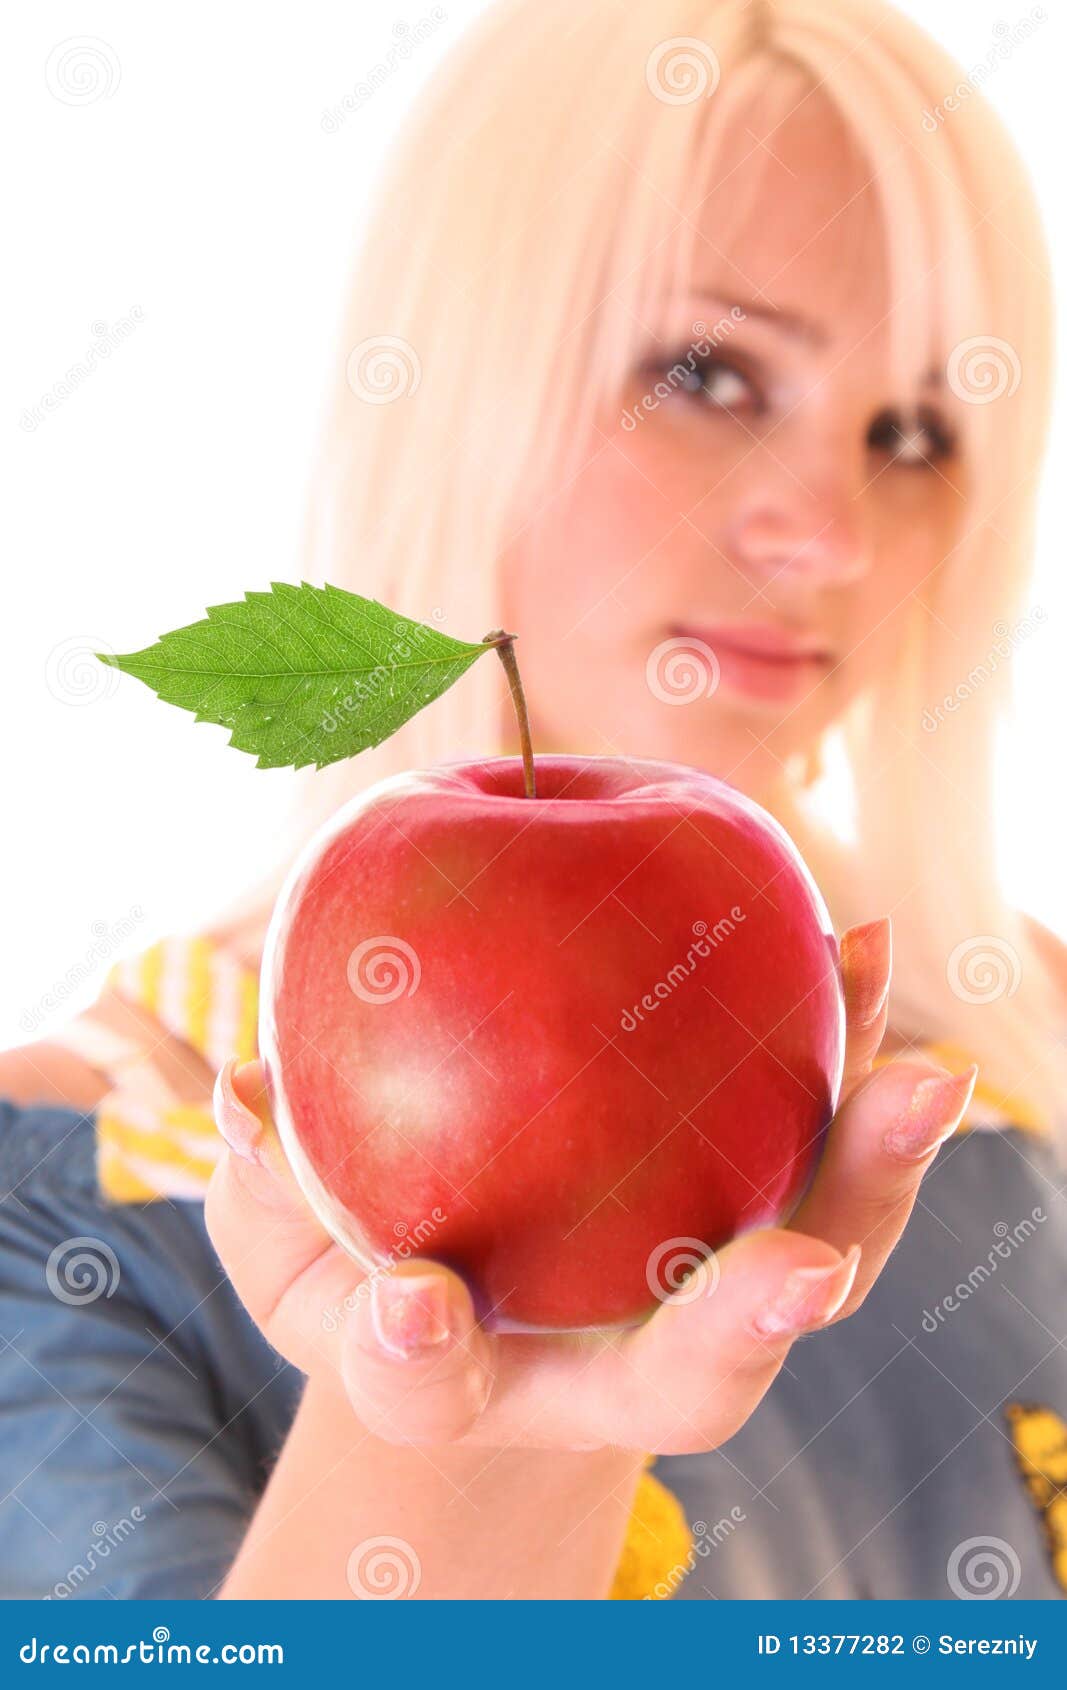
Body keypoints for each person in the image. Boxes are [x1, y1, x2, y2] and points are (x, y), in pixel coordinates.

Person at [3, 0, 1066, 1601]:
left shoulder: (1022, 1084)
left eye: (912, 430)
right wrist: (468, 1445)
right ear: (450, 385)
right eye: (706, 370)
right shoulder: (88, 1197)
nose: (835, 535)